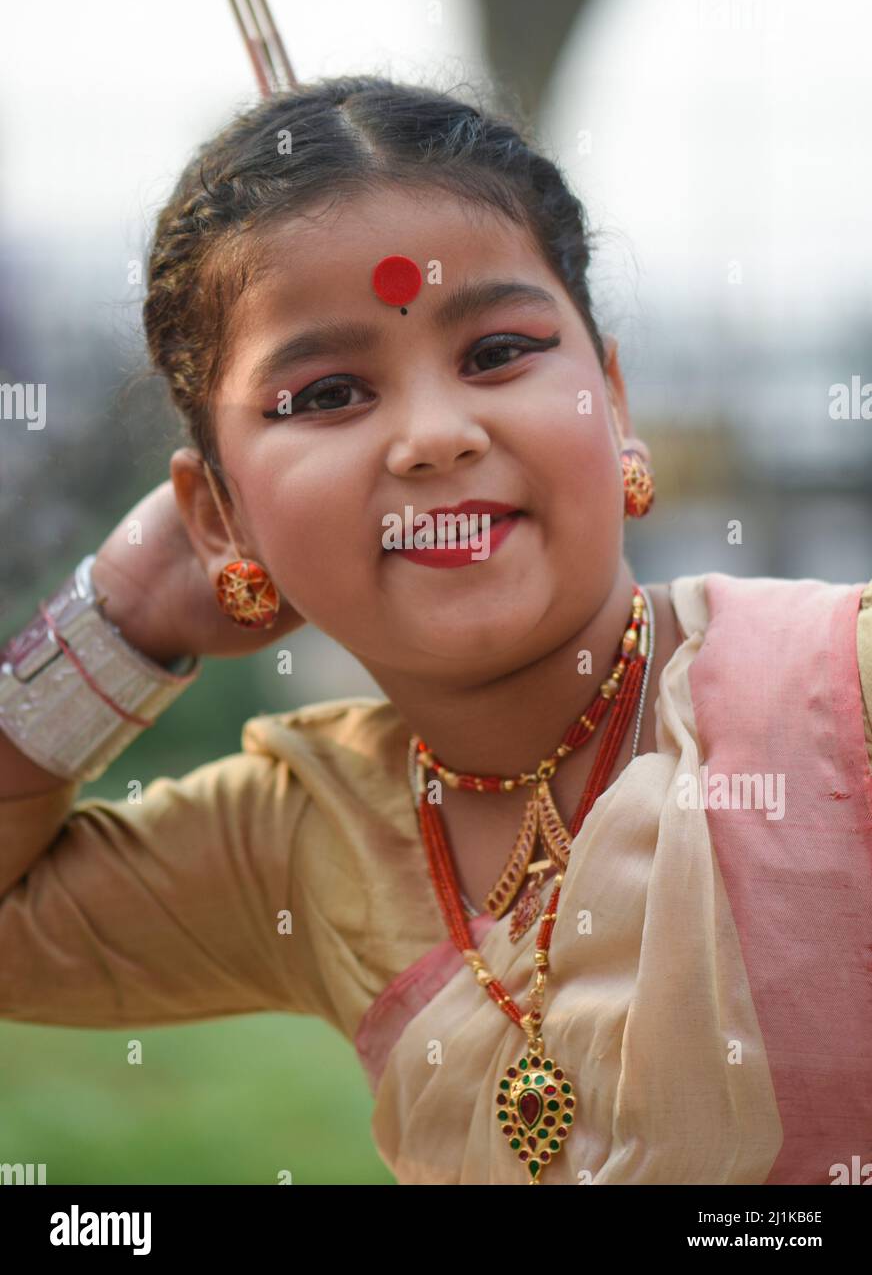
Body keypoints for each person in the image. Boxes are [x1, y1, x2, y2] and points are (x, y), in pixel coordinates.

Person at [1, 76, 870, 1186]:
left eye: (498, 352)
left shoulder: (840, 697)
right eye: (324, 395)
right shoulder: (301, 839)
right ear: (218, 514)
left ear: (610, 402)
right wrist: (113, 619)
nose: (434, 435)